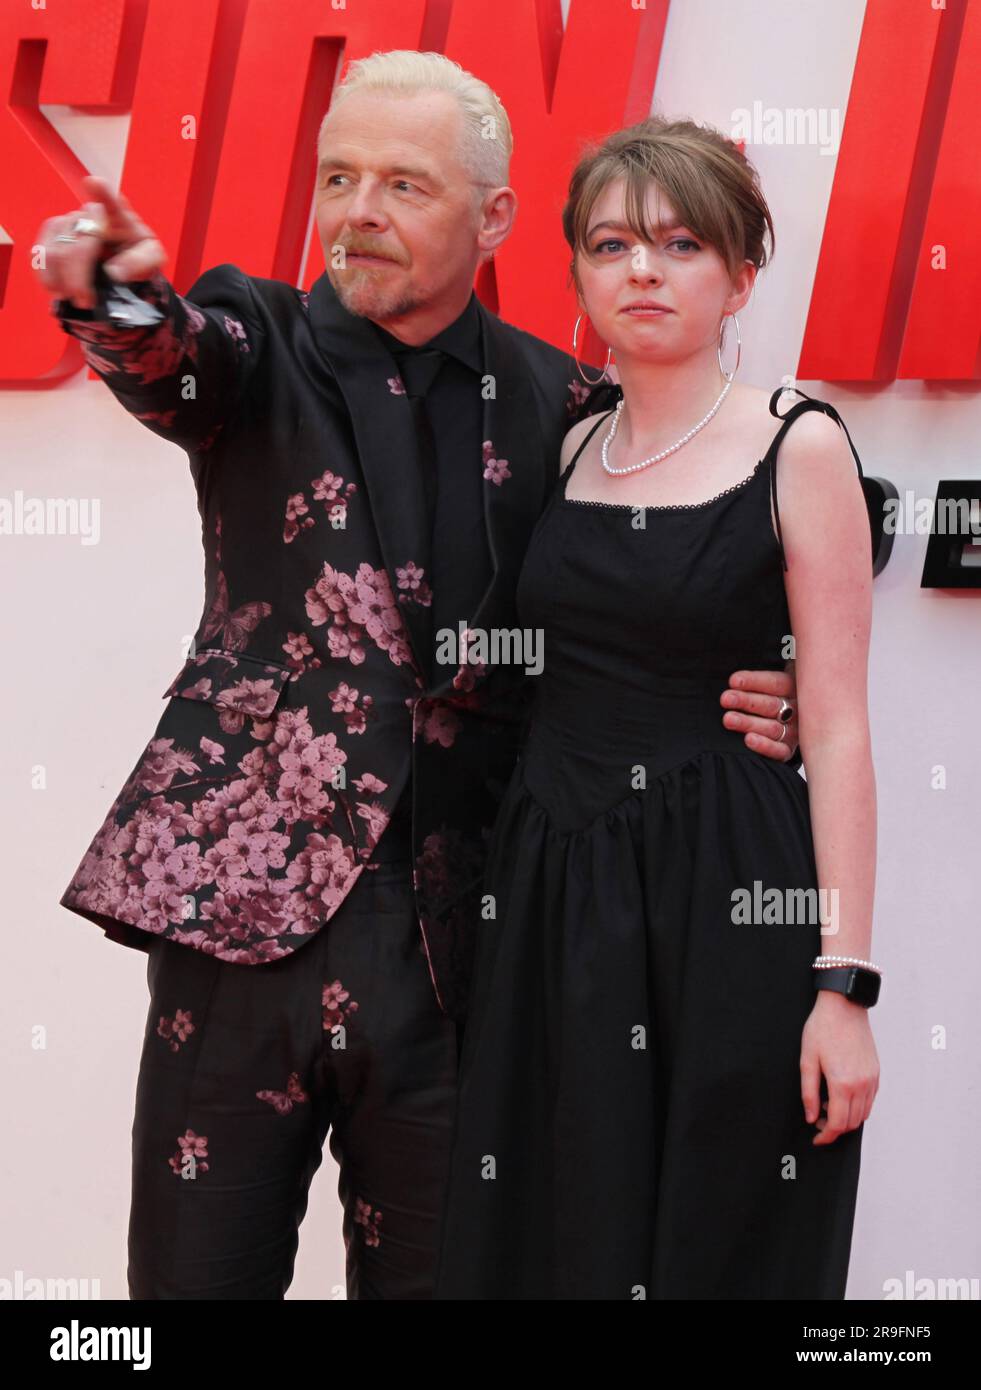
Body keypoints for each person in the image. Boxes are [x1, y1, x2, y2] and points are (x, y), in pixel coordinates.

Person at [38, 54, 803, 1299]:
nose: (359, 209)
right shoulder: (259, 339)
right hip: (242, 916)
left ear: (494, 219)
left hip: (471, 942)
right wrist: (114, 302)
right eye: (338, 177)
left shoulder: (561, 399)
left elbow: (726, 490)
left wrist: (777, 657)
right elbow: (172, 357)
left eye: (404, 182)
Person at [434, 116, 880, 1301]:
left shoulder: (801, 446)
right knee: (554, 1227)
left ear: (739, 274)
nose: (642, 268)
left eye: (681, 243)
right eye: (613, 242)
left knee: (717, 1229)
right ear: (575, 269)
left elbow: (835, 728)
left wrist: (845, 986)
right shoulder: (571, 440)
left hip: (725, 886)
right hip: (555, 889)